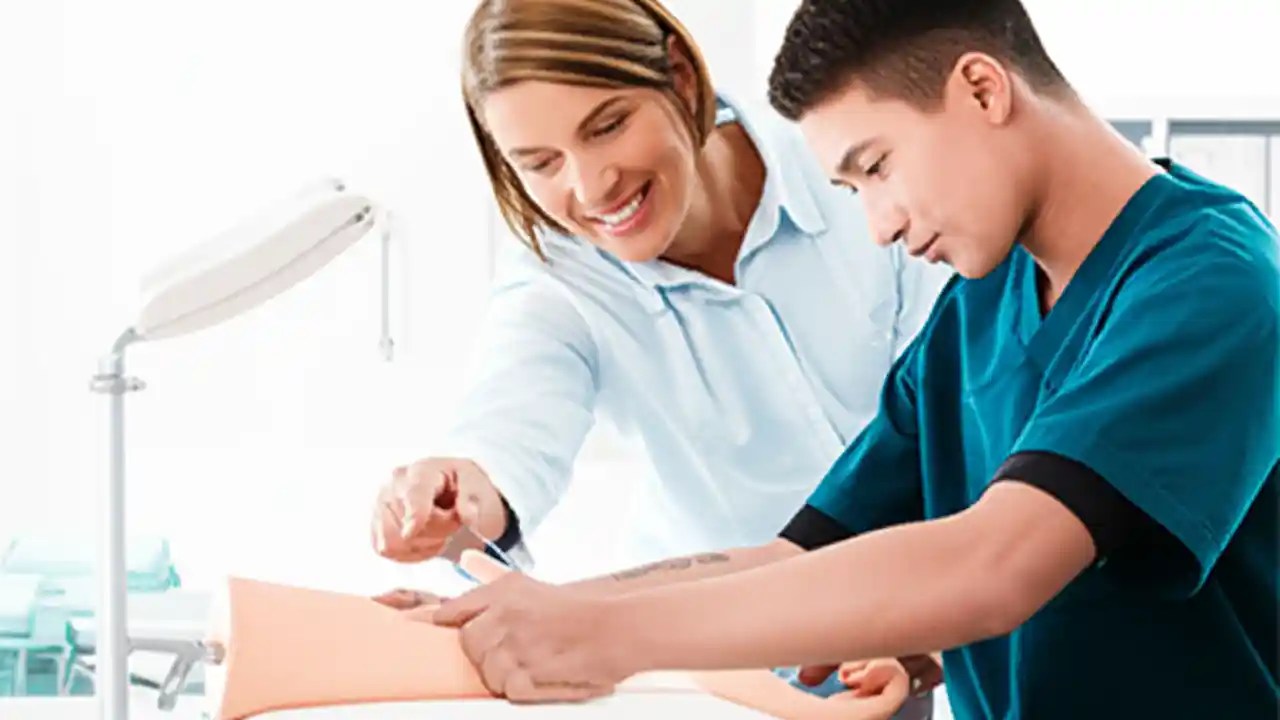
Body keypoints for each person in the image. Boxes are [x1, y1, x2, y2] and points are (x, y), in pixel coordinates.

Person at [423, 0, 1280, 718]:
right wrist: (541, 610)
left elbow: (993, 567)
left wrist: (602, 640)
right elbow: (793, 554)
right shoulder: (982, 299)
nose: (879, 225)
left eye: (876, 168)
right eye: (850, 190)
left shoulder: (1212, 281)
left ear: (982, 88)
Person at [370, 0, 949, 714]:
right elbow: (508, 430)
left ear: (678, 74)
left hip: (903, 619)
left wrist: (920, 613)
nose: (590, 187)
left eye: (608, 126)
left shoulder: (850, 173)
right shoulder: (560, 283)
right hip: (702, 660)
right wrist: (458, 492)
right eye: (541, 164)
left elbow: (955, 418)